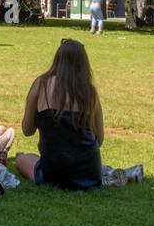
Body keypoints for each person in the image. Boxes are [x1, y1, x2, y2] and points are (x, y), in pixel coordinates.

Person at [15, 39, 105, 190]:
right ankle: (104, 170)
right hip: (89, 176)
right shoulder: (89, 91)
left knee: (21, 159)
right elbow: (99, 139)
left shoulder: (41, 84)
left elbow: (27, 130)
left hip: (53, 173)